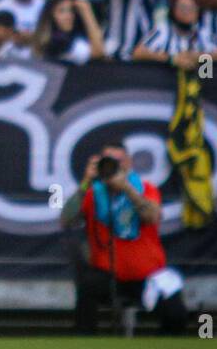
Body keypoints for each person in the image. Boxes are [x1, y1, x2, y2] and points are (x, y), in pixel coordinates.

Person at [61, 141, 187, 335]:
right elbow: (66, 220)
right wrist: (86, 182)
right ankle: (84, 347)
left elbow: (152, 216)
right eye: (108, 162)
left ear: (128, 163)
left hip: (146, 275)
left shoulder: (145, 188)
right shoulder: (93, 193)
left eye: (118, 161)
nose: (113, 167)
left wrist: (127, 189)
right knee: (87, 289)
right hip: (108, 274)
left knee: (176, 314)